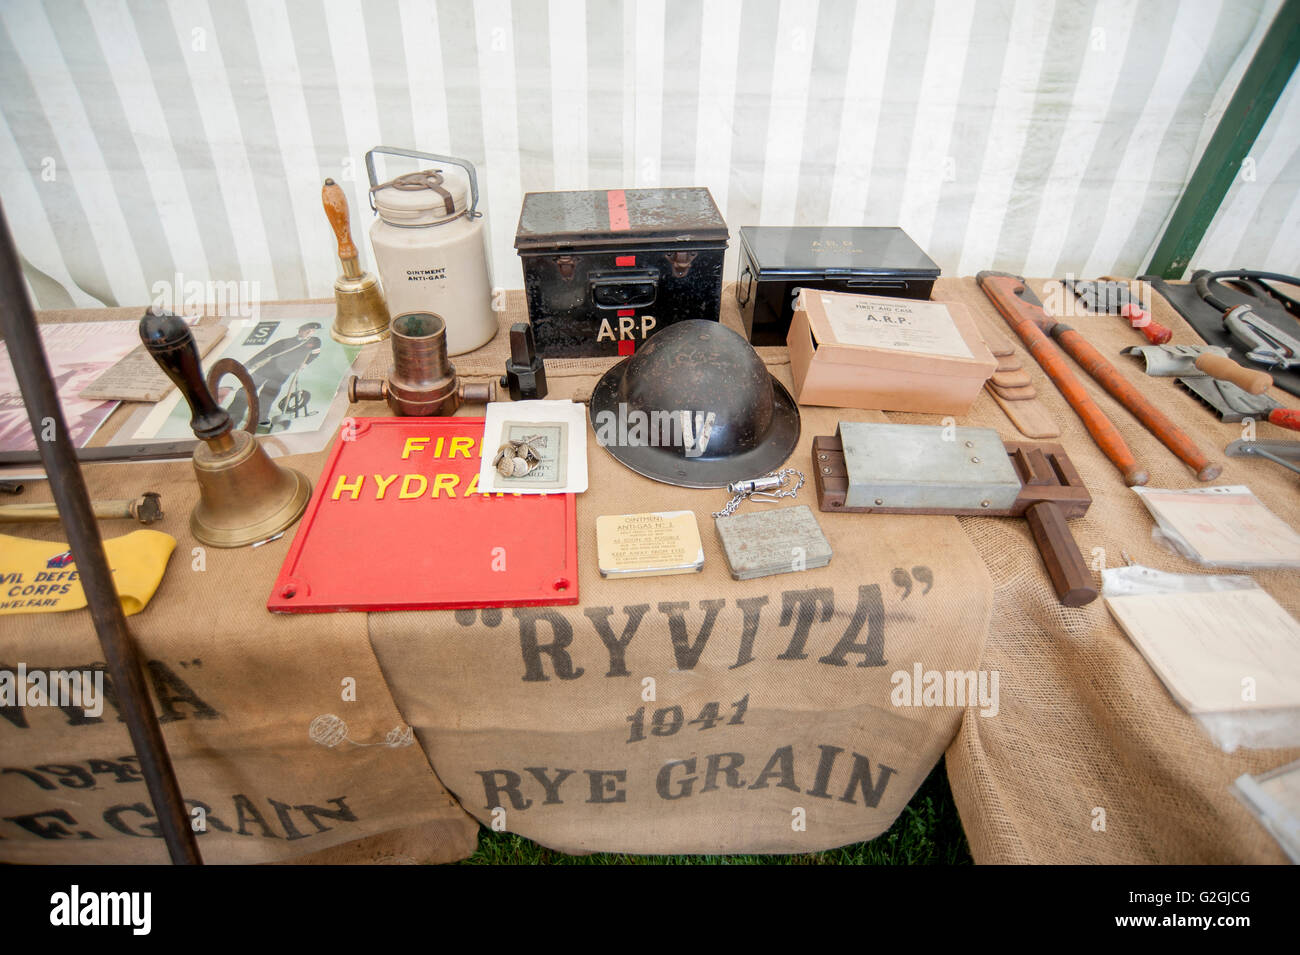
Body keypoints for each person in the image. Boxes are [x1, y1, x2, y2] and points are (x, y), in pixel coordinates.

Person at [226, 323, 322, 429]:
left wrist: (305, 363)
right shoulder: (283, 342)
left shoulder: (314, 342)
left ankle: (260, 420)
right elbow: (265, 353)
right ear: (300, 331)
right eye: (307, 330)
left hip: (282, 374)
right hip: (265, 369)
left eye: (312, 331)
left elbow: (315, 353)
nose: (309, 333)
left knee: (267, 395)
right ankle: (232, 418)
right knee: (245, 391)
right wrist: (246, 366)